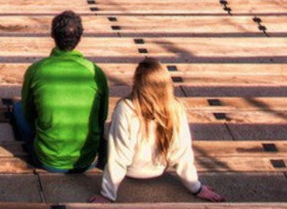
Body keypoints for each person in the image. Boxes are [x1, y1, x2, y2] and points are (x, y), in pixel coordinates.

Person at [89, 59, 223, 203]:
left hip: (131, 170)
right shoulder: (176, 108)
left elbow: (119, 156)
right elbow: (182, 154)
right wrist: (196, 187)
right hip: (158, 170)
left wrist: (107, 195)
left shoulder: (126, 108)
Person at [12, 10, 108, 174]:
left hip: (48, 159)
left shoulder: (37, 70)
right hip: (87, 159)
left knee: (19, 108)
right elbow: (102, 117)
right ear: (80, 37)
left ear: (52, 35)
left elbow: (29, 114)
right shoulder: (95, 72)